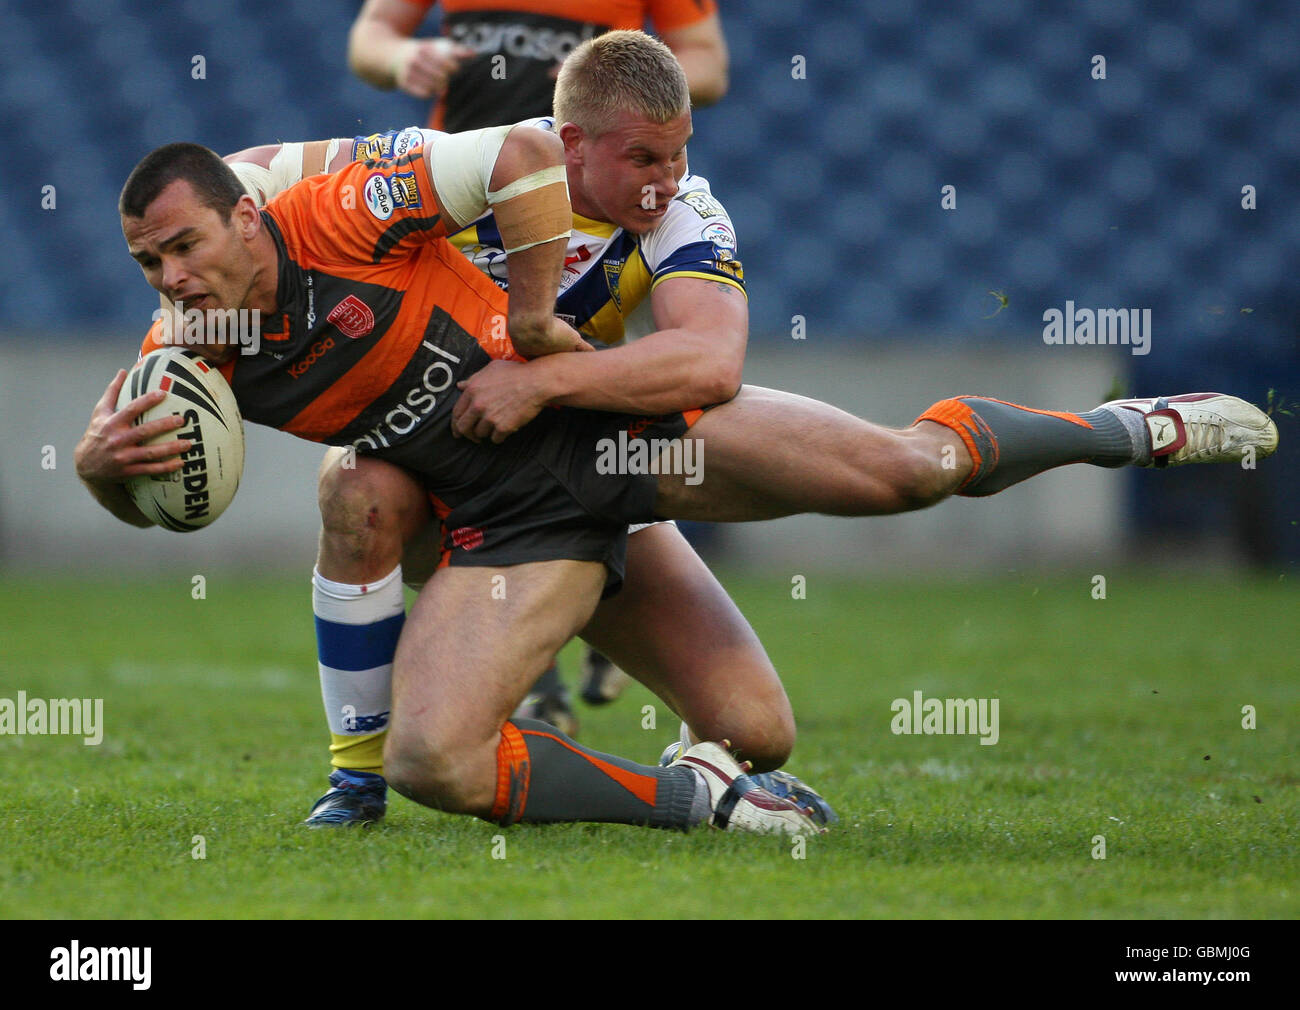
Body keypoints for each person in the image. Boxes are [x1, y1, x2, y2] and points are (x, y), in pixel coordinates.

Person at [76, 67, 1279, 837]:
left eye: (676, 154)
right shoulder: (195, 330)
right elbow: (167, 484)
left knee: (903, 474)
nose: (667, 182)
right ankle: (665, 796)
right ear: (578, 141)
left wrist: (542, 353)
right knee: (382, 546)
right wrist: (103, 475)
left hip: (617, 447)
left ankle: (1132, 427)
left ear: (240, 216)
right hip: (502, 523)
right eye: (640, 159)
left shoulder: (638, 208)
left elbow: (704, 368)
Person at [349, 2, 731, 726]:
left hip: (604, 199)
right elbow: (370, 39)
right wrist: (403, 61)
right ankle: (545, 660)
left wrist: (613, 79)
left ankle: (619, 583)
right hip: (469, 198)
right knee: (457, 427)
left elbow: (706, 66)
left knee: (617, 387)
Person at [348, 0, 728, 132]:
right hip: (456, 176)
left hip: (589, 186)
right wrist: (400, 58)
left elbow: (707, 64)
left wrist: (624, 78)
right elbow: (373, 32)